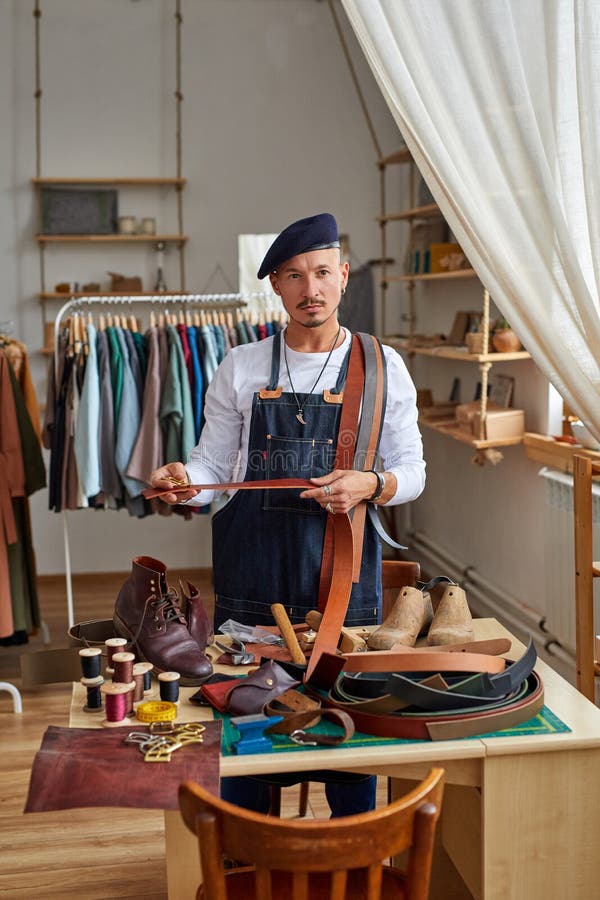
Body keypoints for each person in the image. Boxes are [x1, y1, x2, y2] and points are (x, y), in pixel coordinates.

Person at [150, 212, 425, 816]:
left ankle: (354, 855)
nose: (311, 289)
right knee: (250, 732)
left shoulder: (382, 367)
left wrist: (369, 484)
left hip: (343, 592)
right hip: (254, 590)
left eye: (323, 272)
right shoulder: (240, 367)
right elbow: (212, 467)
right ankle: (249, 858)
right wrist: (183, 482)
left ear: (344, 276)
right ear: (275, 285)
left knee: (345, 739)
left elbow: (414, 473)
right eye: (294, 276)